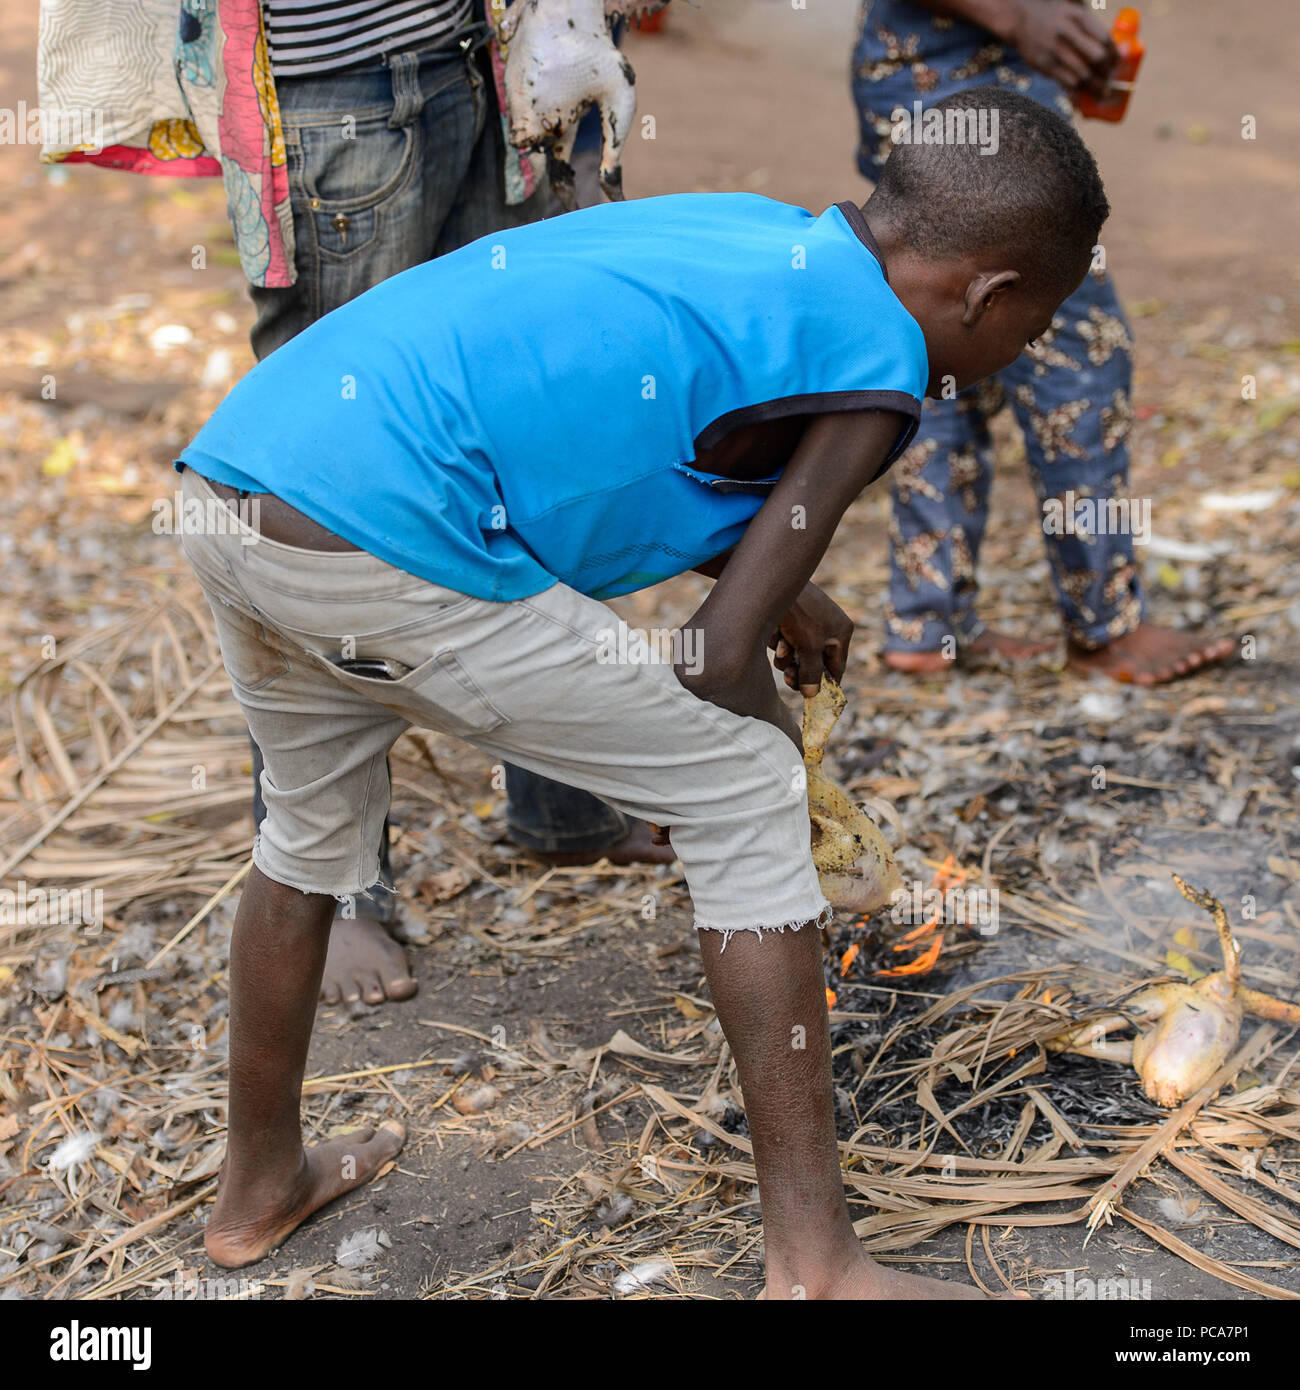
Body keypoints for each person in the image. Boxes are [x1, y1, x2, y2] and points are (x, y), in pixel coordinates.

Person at [178, 87, 1092, 1297]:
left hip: (244, 488)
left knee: (305, 837)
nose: (1011, 358)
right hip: (386, 543)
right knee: (745, 785)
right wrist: (775, 774)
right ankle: (816, 1264)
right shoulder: (886, 367)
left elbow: (623, 417)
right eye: (1028, 332)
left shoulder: (762, 238)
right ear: (987, 295)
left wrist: (772, 579)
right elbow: (714, 660)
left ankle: (257, 1187)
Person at [38, 0, 670, 1013]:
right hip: (333, 95)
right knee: (328, 476)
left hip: (480, 60)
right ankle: (332, 888)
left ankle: (564, 802)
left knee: (523, 420)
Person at [852, 0, 1234, 683]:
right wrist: (1015, 17)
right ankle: (1103, 627)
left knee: (939, 341)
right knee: (1078, 343)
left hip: (944, 75)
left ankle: (927, 622)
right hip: (954, 71)